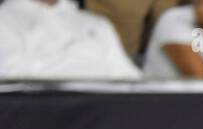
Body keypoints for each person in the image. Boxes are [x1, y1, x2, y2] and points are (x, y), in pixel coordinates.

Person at [0, 0, 142, 79]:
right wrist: (80, 51)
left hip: (106, 117)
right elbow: (15, 83)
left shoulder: (97, 24)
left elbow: (131, 82)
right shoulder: (5, 19)